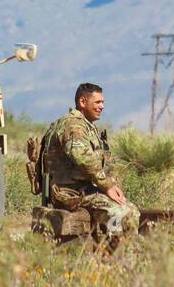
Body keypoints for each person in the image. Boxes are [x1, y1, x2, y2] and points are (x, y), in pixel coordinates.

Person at [41, 83, 140, 238]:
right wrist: (107, 185)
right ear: (82, 102)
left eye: (103, 102)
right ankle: (119, 257)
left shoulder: (85, 125)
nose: (102, 106)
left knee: (130, 210)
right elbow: (84, 160)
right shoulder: (73, 125)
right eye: (97, 102)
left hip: (85, 190)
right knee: (122, 214)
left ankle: (112, 252)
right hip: (70, 193)